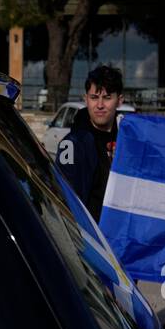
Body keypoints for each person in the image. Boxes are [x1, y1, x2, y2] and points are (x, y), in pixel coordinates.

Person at [58, 65, 124, 220]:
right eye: (94, 97)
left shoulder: (128, 140)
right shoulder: (72, 144)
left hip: (122, 235)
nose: (100, 105)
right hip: (90, 237)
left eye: (107, 98)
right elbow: (65, 202)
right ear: (85, 99)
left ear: (119, 100)